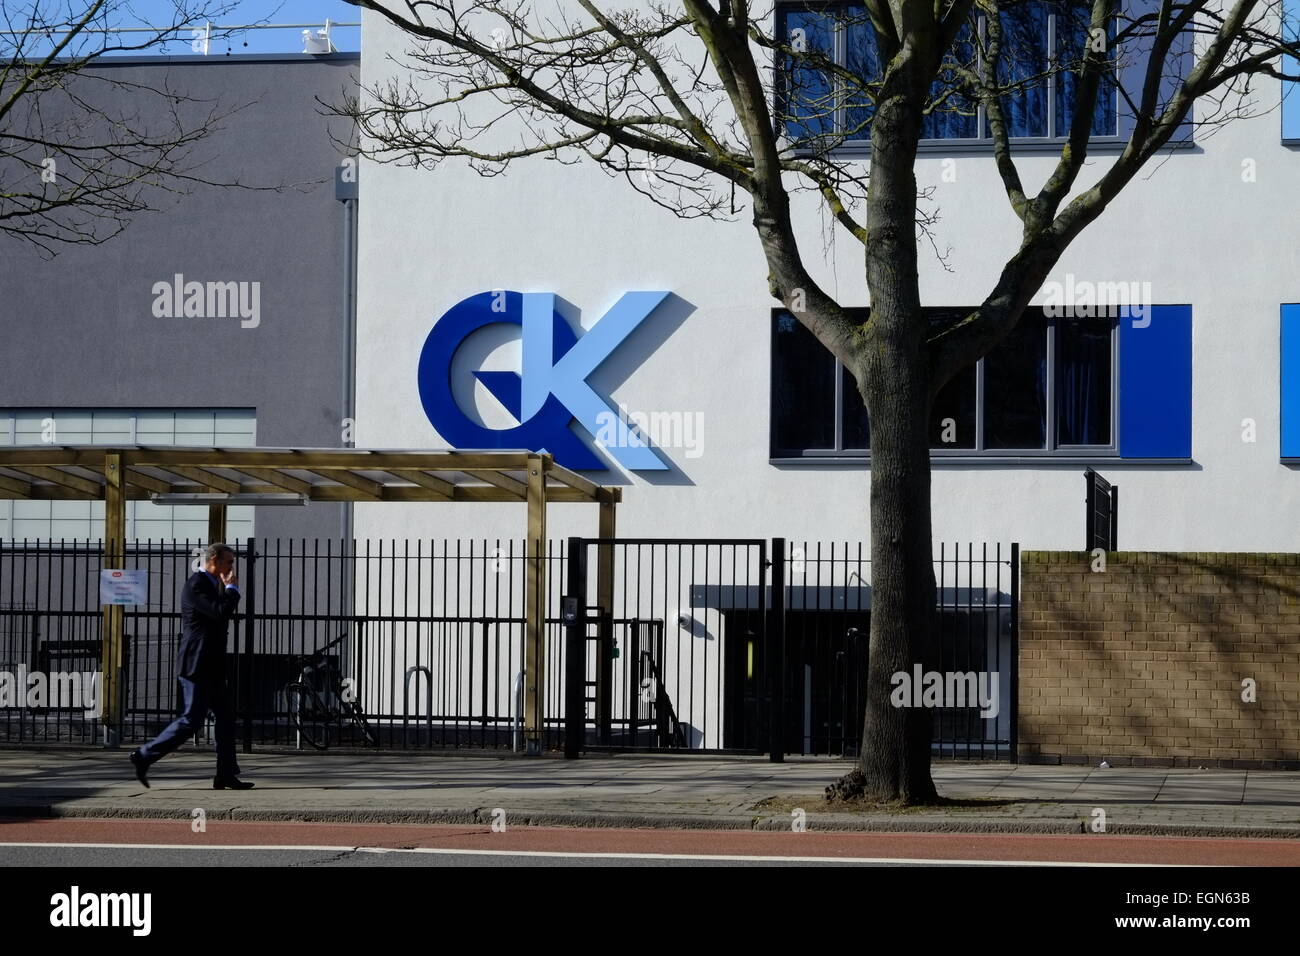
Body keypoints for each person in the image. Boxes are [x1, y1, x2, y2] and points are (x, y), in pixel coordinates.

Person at [130, 543, 253, 790]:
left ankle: (225, 774)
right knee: (191, 720)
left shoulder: (210, 584)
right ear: (215, 559)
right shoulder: (196, 584)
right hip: (196, 664)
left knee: (226, 719)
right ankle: (144, 755)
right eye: (229, 562)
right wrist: (233, 589)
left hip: (213, 666)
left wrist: (227, 589)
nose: (232, 568)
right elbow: (220, 613)